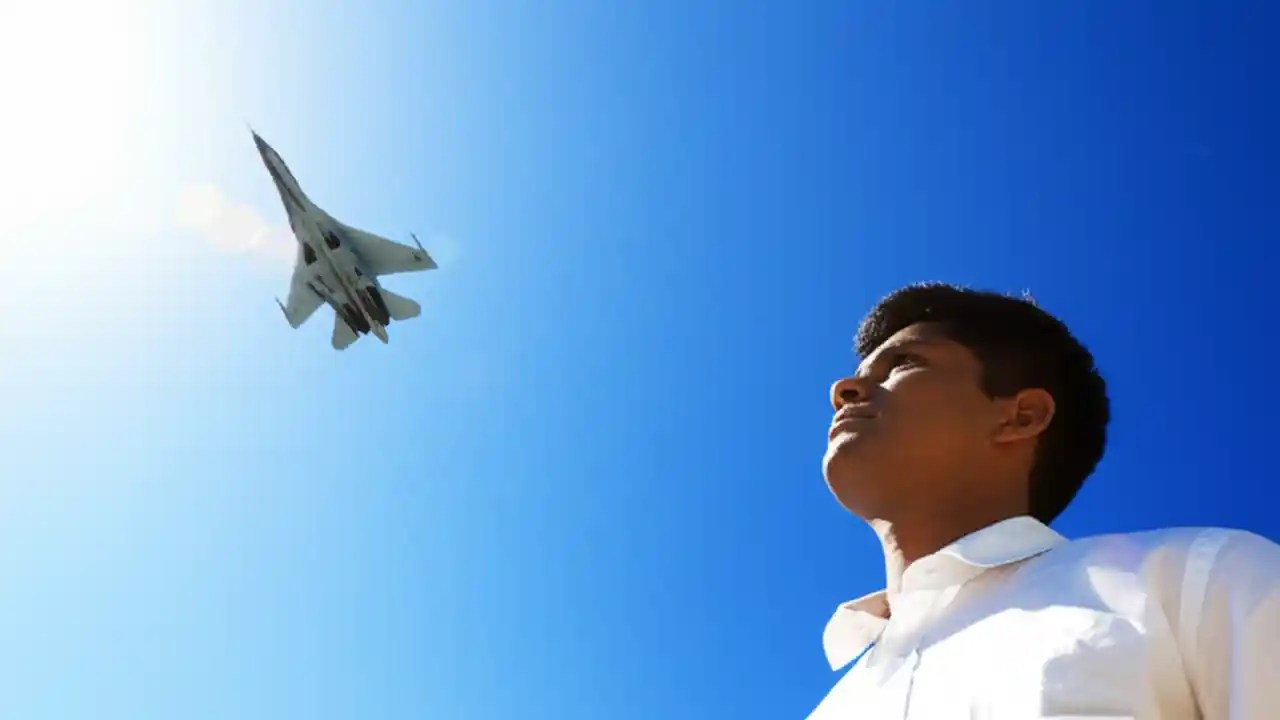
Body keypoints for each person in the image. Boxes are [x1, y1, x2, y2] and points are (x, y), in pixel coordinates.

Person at [808, 283, 1280, 719]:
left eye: (904, 364)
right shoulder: (835, 706)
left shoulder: (1198, 582)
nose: (843, 390)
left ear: (1022, 416)